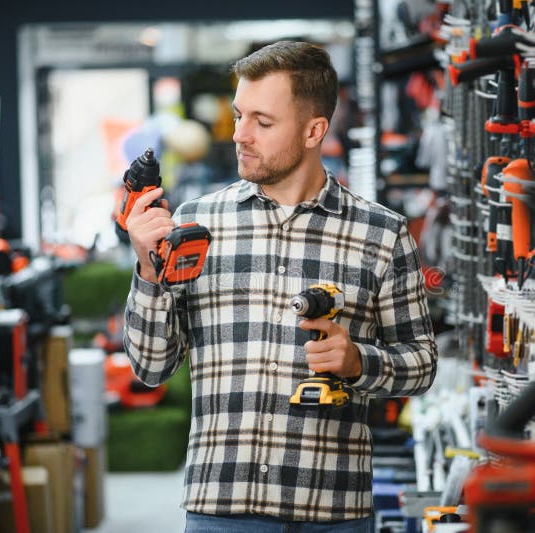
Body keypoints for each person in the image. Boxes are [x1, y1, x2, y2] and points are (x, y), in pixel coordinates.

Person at [123, 41, 437, 533]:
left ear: (314, 130)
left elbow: (421, 363)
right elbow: (150, 366)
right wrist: (147, 269)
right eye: (238, 115)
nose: (239, 135)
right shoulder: (194, 223)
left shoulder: (382, 234)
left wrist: (359, 362)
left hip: (331, 510)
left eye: (262, 122)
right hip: (220, 509)